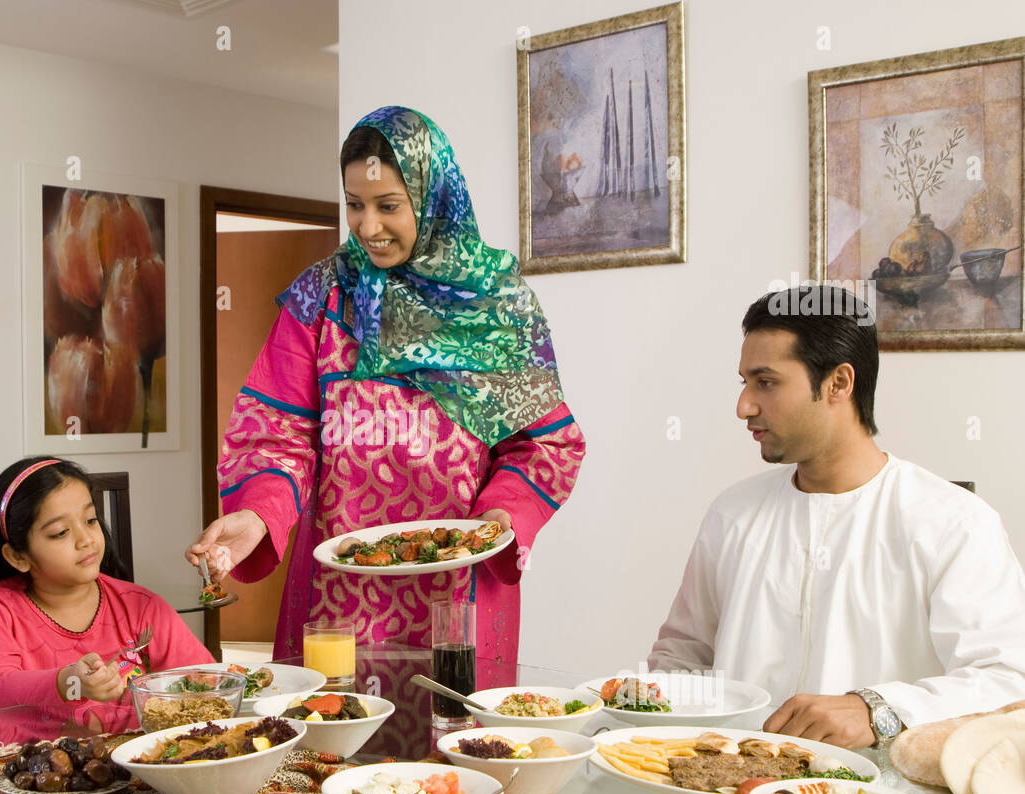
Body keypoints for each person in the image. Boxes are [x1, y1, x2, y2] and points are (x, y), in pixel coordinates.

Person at [186, 106, 585, 664]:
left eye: (389, 206)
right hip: (337, 589)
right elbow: (276, 433)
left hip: (459, 587)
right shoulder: (323, 297)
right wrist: (258, 513)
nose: (367, 227)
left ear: (434, 196)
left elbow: (545, 442)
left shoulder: (497, 306)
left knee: (455, 739)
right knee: (335, 737)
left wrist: (502, 517)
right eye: (354, 205)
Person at [649, 285, 1025, 747]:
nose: (744, 406)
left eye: (765, 382)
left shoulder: (953, 522)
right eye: (744, 382)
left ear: (839, 383)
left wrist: (877, 709)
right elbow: (683, 656)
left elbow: (1008, 681)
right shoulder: (734, 512)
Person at [0, 456, 213, 733]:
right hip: (35, 768)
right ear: (18, 556)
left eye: (90, 520)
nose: (87, 539)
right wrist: (70, 681)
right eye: (60, 532)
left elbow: (206, 681)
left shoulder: (142, 606)